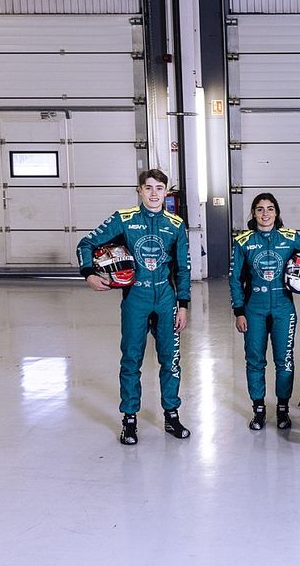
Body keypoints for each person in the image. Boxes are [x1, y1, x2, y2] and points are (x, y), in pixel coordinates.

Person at [77, 169, 192, 445]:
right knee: (131, 359)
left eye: (159, 188)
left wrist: (183, 305)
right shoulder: (124, 219)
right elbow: (86, 244)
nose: (154, 193)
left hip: (165, 298)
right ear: (139, 190)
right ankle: (129, 419)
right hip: (135, 298)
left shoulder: (175, 224)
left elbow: (183, 268)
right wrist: (89, 273)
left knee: (171, 360)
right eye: (148, 188)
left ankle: (171, 415)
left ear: (166, 192)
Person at [229, 193, 300, 431]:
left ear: (276, 213)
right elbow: (234, 280)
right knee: (254, 360)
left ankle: (283, 409)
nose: (265, 214)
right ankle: (258, 410)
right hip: (253, 309)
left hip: (283, 308)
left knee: (284, 360)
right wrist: (239, 311)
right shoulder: (243, 241)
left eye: (270, 209)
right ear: (253, 213)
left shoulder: (289, 237)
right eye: (260, 209)